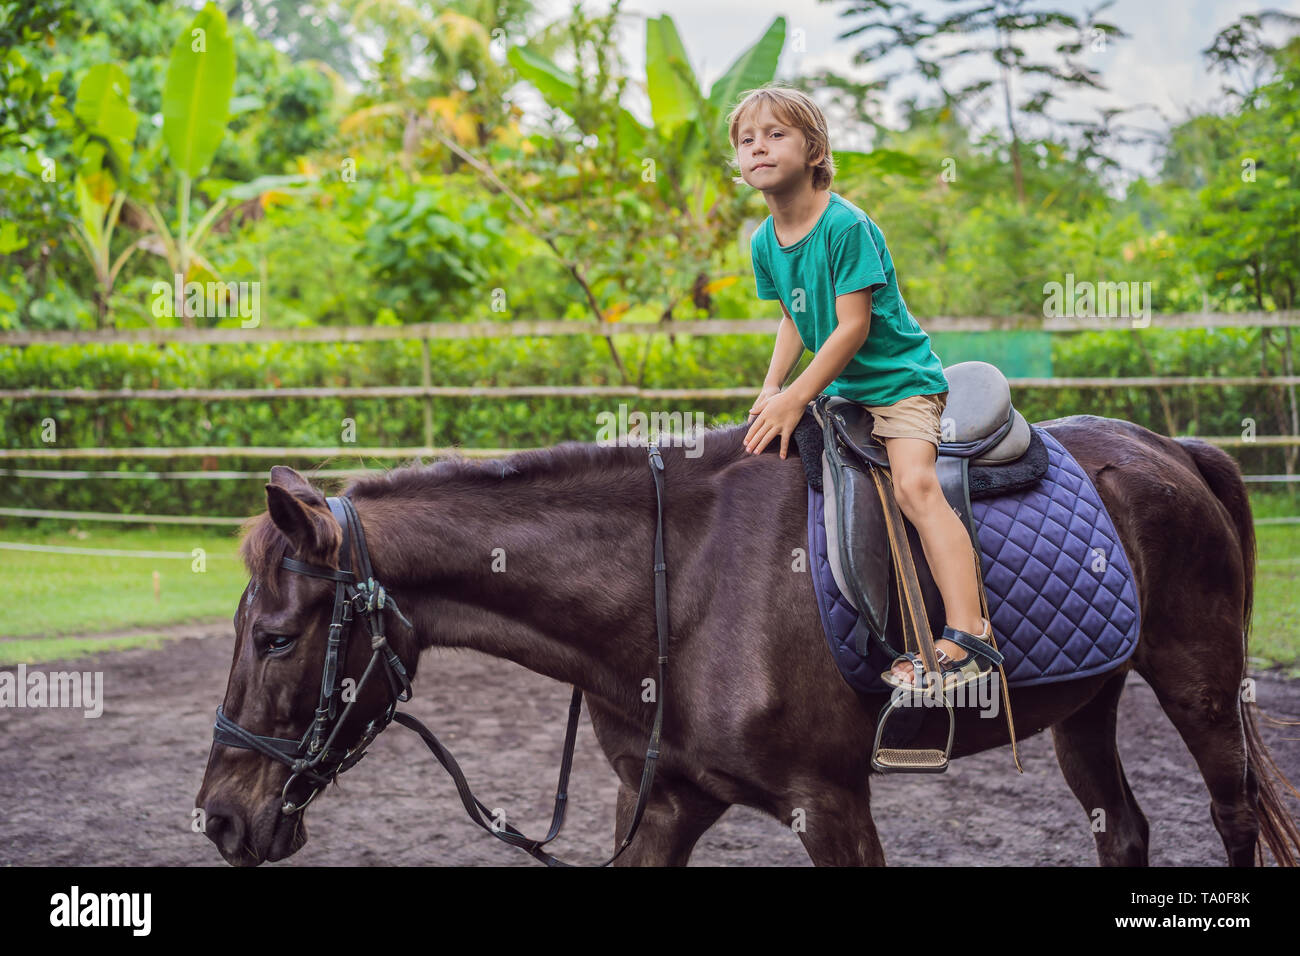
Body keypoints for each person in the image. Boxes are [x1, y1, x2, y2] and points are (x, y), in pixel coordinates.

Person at [730, 85, 996, 692]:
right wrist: (772, 384)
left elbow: (852, 327)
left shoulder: (845, 225)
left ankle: (970, 636)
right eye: (747, 140)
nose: (758, 148)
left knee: (915, 485)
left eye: (775, 135)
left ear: (813, 149)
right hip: (842, 390)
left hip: (899, 384)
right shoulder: (765, 240)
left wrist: (796, 397)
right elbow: (794, 317)